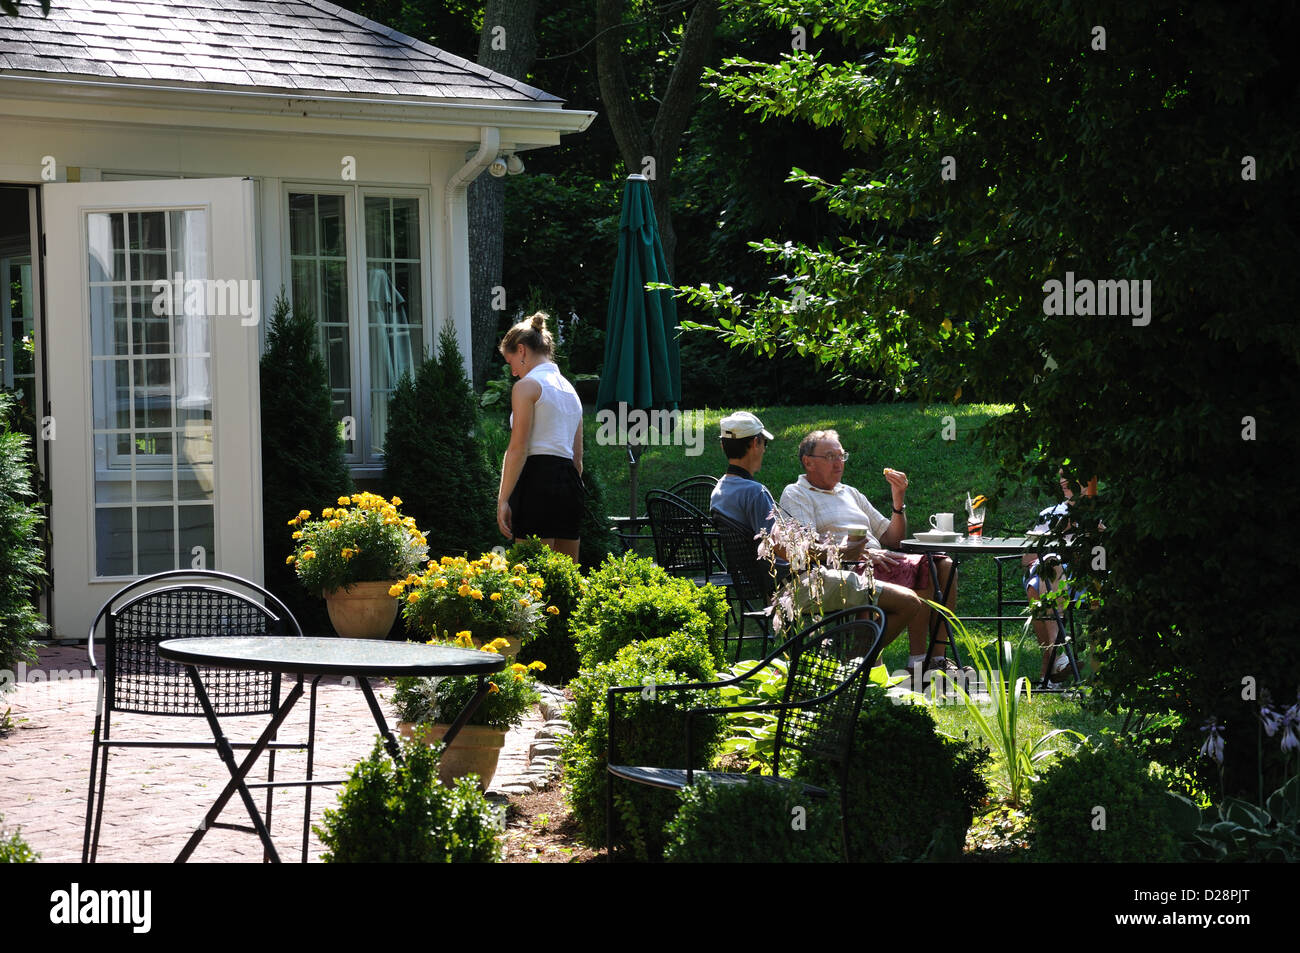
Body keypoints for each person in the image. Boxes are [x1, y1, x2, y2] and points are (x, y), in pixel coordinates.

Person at [710, 414, 925, 669]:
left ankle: (853, 669)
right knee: (909, 602)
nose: (764, 449)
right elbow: (787, 549)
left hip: (769, 588)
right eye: (763, 444)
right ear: (756, 444)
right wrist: (840, 550)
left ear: (724, 446)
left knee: (893, 591)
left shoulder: (720, 490)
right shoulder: (755, 492)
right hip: (795, 587)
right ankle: (851, 669)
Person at [778, 429, 964, 682]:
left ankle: (934, 659)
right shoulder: (796, 493)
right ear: (808, 461)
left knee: (941, 564)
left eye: (841, 456)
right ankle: (915, 665)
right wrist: (856, 550)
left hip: (881, 557)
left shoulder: (850, 492)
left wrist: (898, 501)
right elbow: (808, 544)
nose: (838, 462)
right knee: (918, 570)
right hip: (844, 566)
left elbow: (892, 538)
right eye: (830, 456)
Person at [496, 312, 583, 560]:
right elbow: (577, 460)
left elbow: (518, 449)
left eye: (509, 361)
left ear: (521, 350)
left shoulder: (527, 387)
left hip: (536, 479)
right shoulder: (570, 392)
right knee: (566, 579)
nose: (512, 371)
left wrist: (503, 500)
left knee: (530, 580)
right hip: (569, 484)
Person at [1022, 472, 1096, 682]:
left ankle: (1052, 660)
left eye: (1069, 476)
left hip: (1083, 580)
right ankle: (1058, 658)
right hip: (1045, 574)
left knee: (1037, 588)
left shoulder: (1097, 512)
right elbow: (1026, 559)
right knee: (1047, 570)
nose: (1062, 482)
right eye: (1061, 476)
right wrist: (1054, 535)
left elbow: (1102, 558)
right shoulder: (1050, 514)